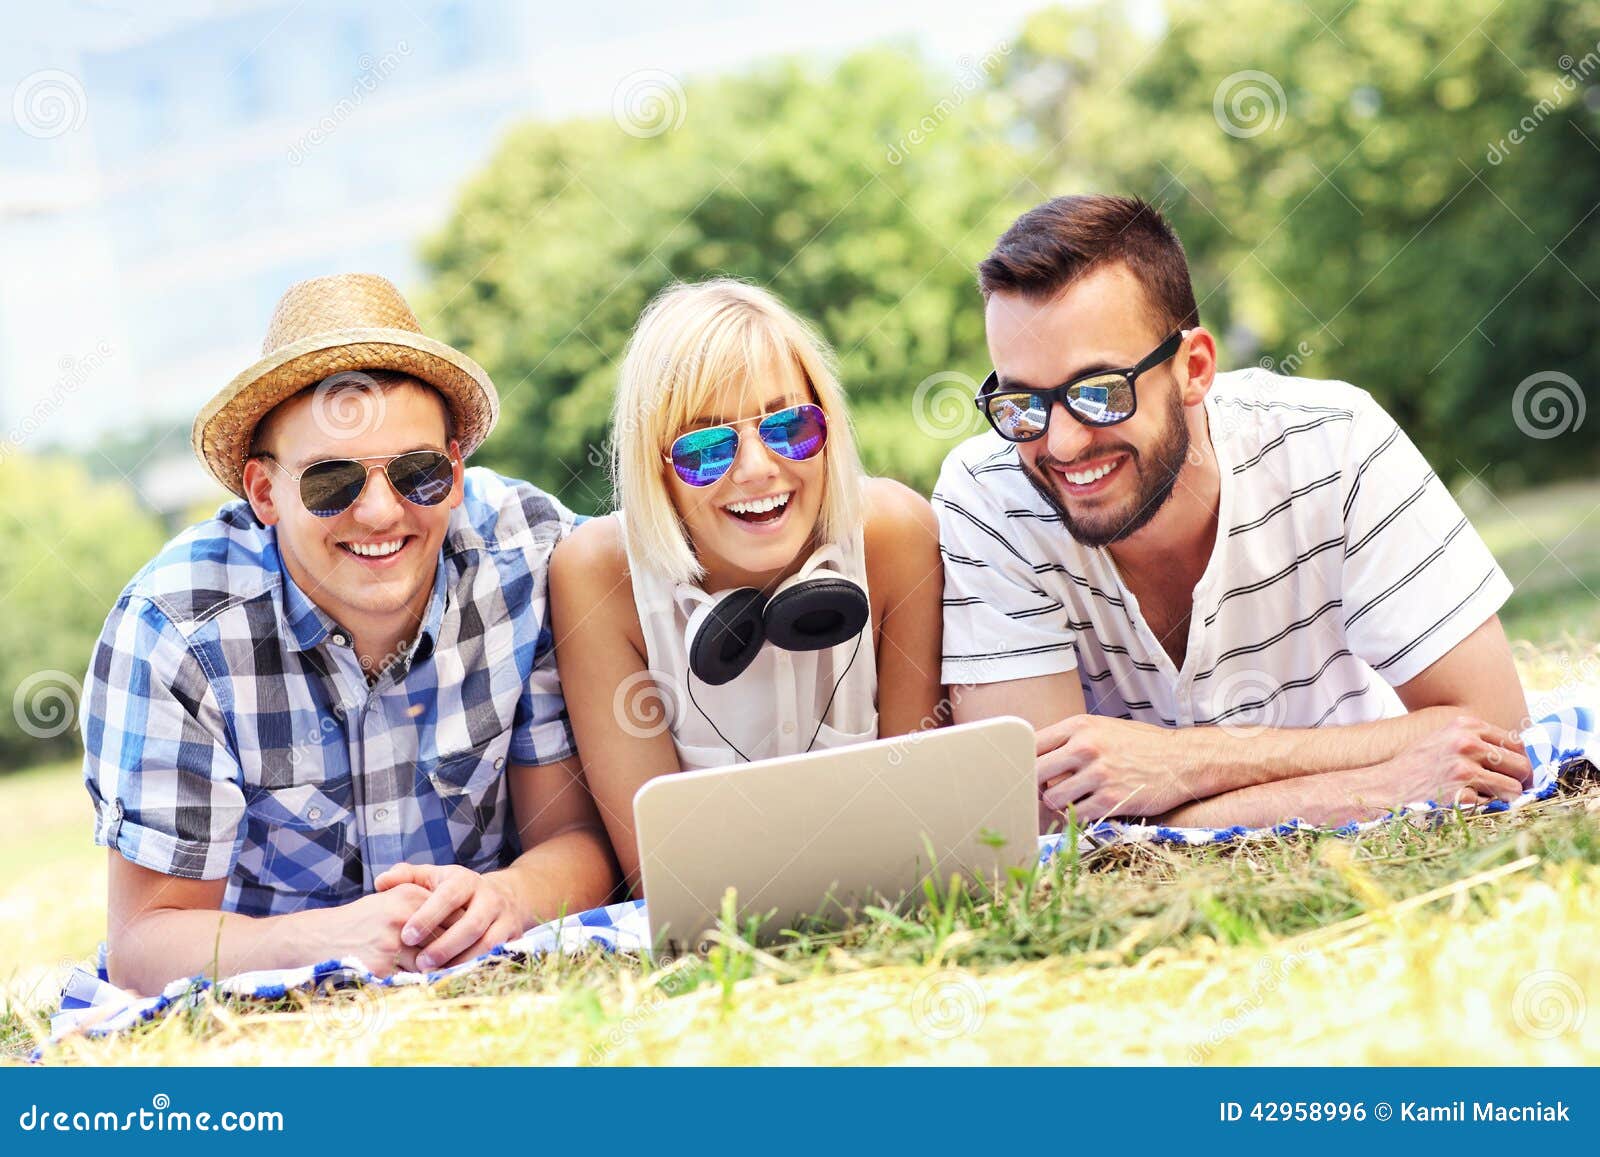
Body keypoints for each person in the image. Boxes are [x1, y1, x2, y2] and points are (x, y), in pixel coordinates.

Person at [81, 273, 617, 994]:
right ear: (264, 493)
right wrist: (338, 937)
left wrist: (513, 898)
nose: (379, 512)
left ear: (455, 471)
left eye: (417, 472)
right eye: (332, 481)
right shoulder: (175, 630)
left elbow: (576, 837)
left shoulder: (530, 557)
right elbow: (144, 941)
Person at [937, 194, 1532, 830]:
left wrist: (1179, 764)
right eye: (1022, 403)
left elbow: (1497, 736)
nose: (1060, 444)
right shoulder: (988, 498)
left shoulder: (1336, 443)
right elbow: (1040, 818)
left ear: (1193, 368)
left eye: (1099, 393)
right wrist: (1379, 784)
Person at [551, 279, 945, 889]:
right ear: (655, 465)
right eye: (707, 447)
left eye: (790, 426)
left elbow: (925, 817)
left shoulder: (896, 535)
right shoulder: (598, 578)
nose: (759, 469)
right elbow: (667, 878)